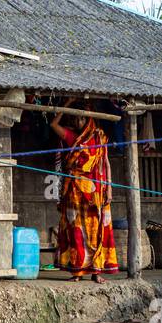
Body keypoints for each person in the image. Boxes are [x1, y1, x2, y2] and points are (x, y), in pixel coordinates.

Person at [49, 110, 119, 282]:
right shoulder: (73, 138)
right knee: (76, 231)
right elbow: (53, 125)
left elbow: (106, 164)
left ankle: (96, 272)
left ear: (88, 120)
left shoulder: (99, 138)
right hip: (74, 192)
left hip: (96, 192)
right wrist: (66, 107)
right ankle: (77, 272)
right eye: (76, 118)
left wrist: (109, 188)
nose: (78, 122)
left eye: (82, 118)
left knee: (96, 231)